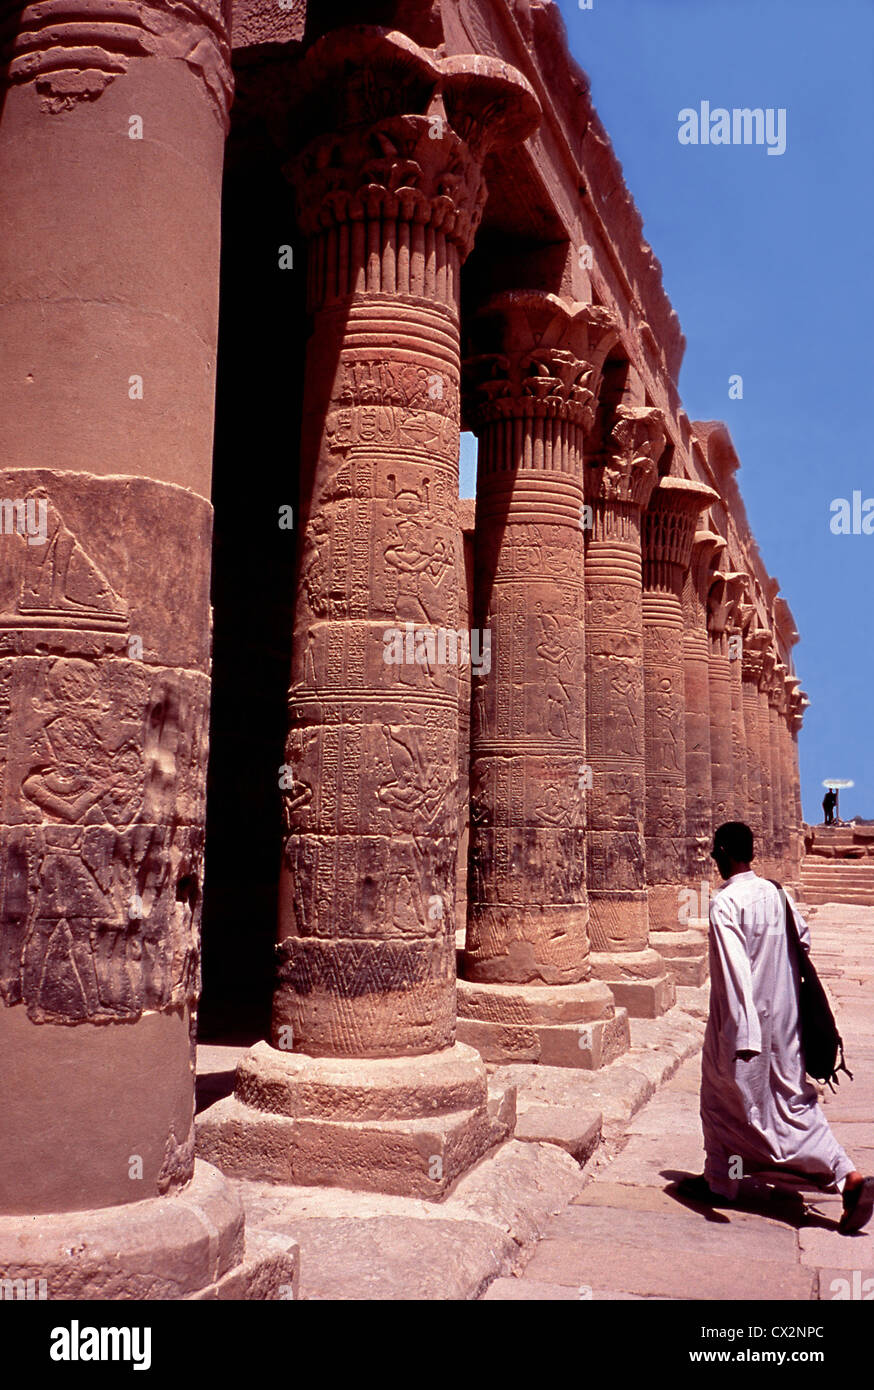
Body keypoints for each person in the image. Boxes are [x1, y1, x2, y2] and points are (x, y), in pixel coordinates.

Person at [679, 821, 874, 1233]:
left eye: (717, 852)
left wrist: (744, 1036)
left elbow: (734, 971)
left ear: (725, 854)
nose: (714, 859)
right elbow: (802, 938)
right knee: (792, 1099)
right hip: (785, 1020)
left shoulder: (725, 902)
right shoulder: (776, 892)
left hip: (742, 1025)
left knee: (723, 1103)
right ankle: (845, 1175)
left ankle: (723, 1184)